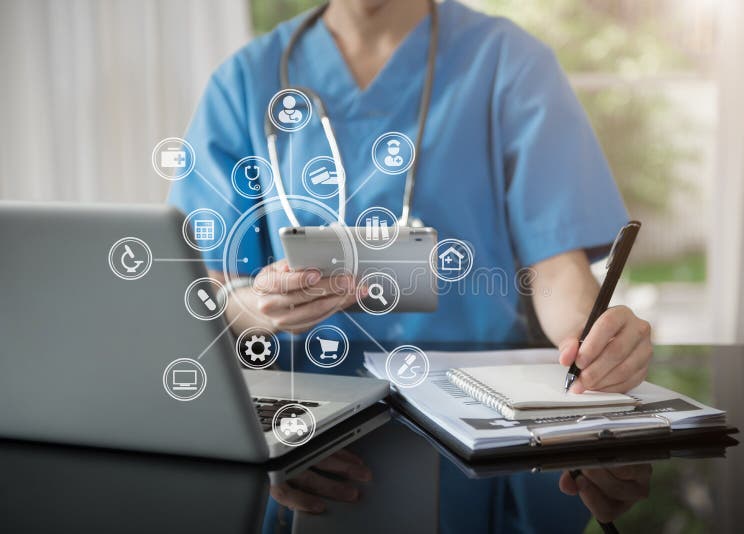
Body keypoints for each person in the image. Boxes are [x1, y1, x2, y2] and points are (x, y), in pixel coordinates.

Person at [169, 0, 653, 527]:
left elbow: (556, 270)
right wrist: (259, 307)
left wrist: (595, 340)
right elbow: (203, 296)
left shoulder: (508, 61)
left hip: (480, 433)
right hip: (300, 430)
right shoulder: (244, 80)